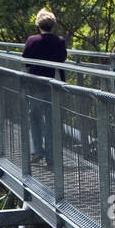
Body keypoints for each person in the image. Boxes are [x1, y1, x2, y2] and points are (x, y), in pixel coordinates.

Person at [22, 9, 67, 168]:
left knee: (34, 117)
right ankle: (51, 157)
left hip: (34, 84)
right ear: (53, 25)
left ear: (38, 25)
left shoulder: (32, 40)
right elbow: (61, 62)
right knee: (50, 120)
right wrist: (63, 82)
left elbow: (25, 61)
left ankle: (37, 150)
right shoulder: (59, 41)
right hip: (51, 84)